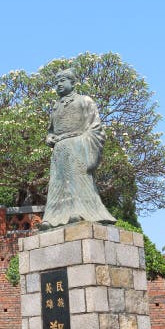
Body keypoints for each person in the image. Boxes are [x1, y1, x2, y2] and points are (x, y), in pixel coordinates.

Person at [39, 68, 116, 230]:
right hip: (59, 150)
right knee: (57, 184)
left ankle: (82, 212)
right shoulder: (56, 107)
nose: (59, 84)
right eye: (56, 82)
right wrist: (49, 138)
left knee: (78, 180)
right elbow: (51, 131)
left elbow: (96, 127)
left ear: (73, 83)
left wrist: (82, 142)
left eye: (63, 81)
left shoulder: (84, 101)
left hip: (78, 147)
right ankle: (52, 218)